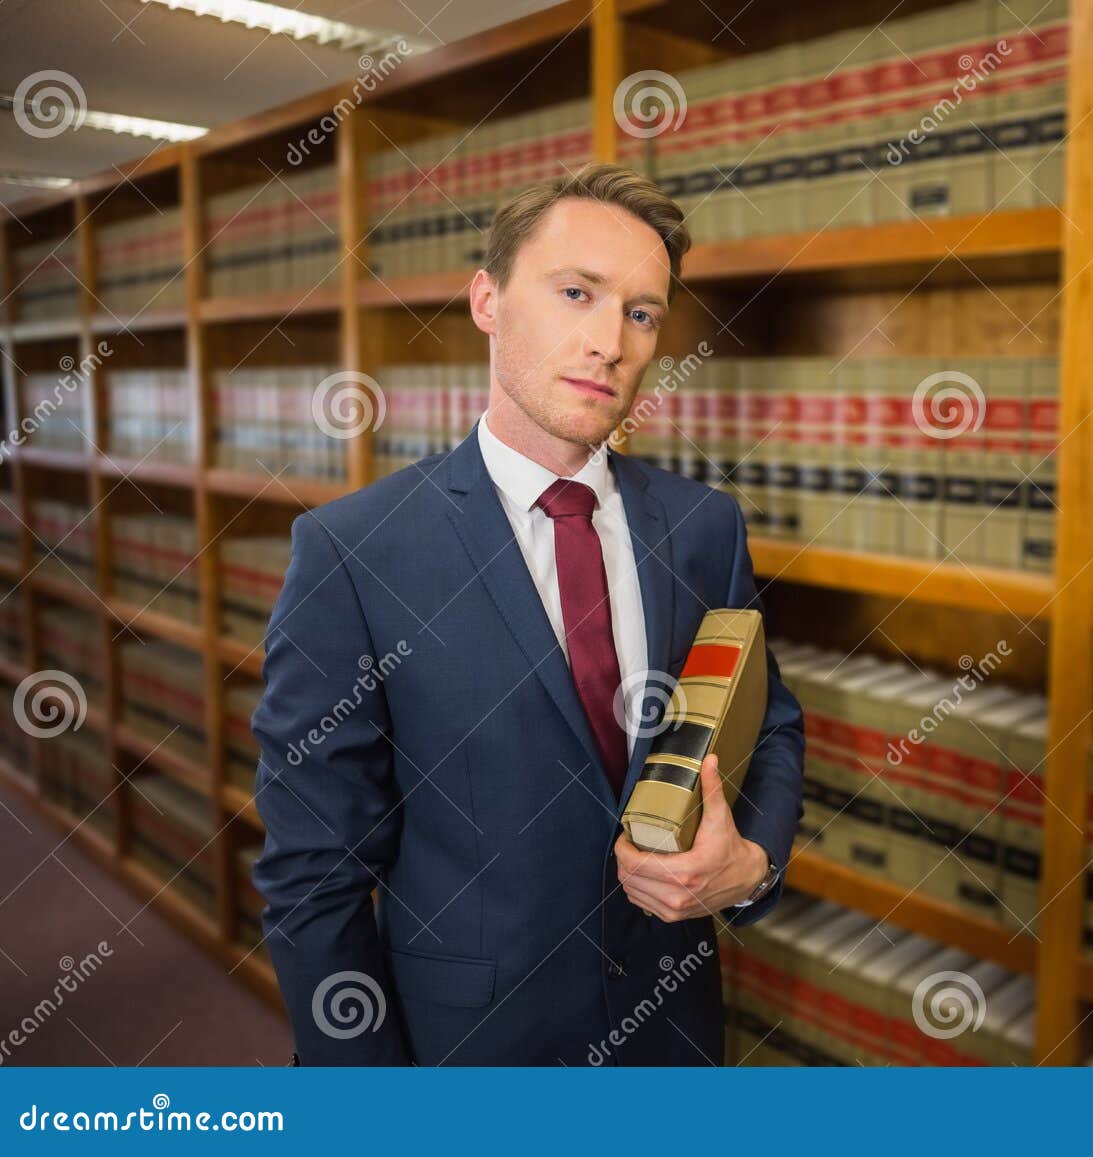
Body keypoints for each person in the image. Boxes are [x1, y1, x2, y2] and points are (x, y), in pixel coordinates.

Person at [251, 162, 805, 1066]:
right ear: (488, 301)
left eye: (641, 313)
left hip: (674, 1034)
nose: (609, 342)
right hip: (468, 1052)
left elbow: (769, 722)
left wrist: (754, 863)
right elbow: (315, 879)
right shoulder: (355, 553)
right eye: (576, 293)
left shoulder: (704, 527)